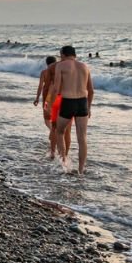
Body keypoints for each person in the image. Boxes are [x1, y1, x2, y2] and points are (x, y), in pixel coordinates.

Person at [50, 45, 94, 174]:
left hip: (68, 102)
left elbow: (56, 89)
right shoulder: (85, 67)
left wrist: (53, 107)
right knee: (82, 137)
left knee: (60, 131)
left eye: (60, 55)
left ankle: (64, 163)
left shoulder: (61, 66)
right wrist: (89, 107)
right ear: (74, 55)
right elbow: (91, 90)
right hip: (82, 103)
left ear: (63, 55)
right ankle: (81, 170)